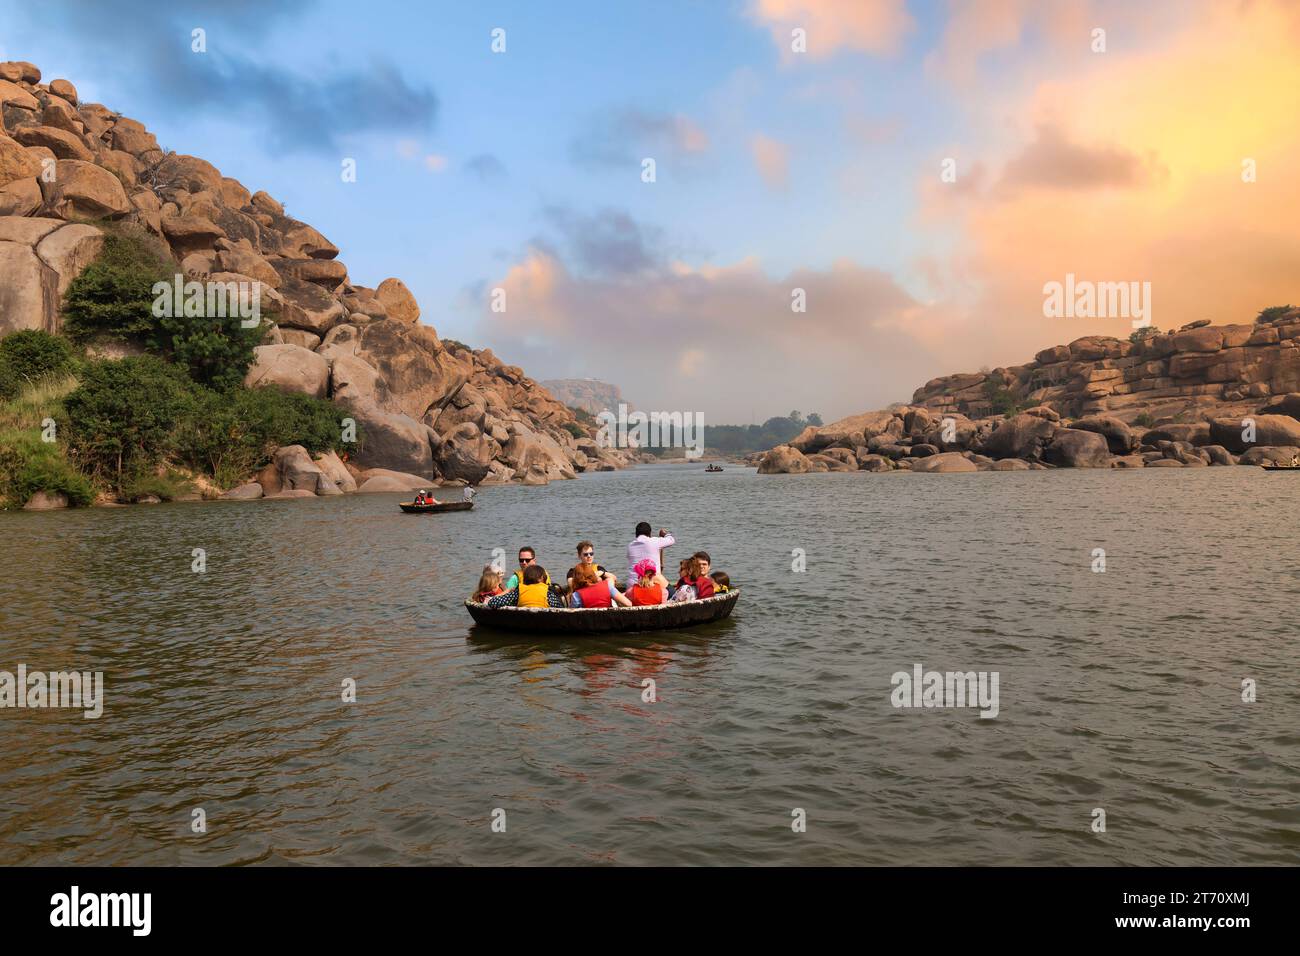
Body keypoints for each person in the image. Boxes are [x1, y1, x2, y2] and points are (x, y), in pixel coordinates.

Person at [488, 563, 566, 609]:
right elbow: (560, 609)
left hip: (523, 621)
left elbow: (492, 602)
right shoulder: (548, 592)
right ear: (542, 578)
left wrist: (508, 592)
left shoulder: (519, 591)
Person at [627, 522, 674, 587]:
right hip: (651, 585)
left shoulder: (630, 545)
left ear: (636, 534)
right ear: (649, 534)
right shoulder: (654, 541)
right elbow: (671, 540)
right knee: (670, 590)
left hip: (632, 585)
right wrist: (665, 534)